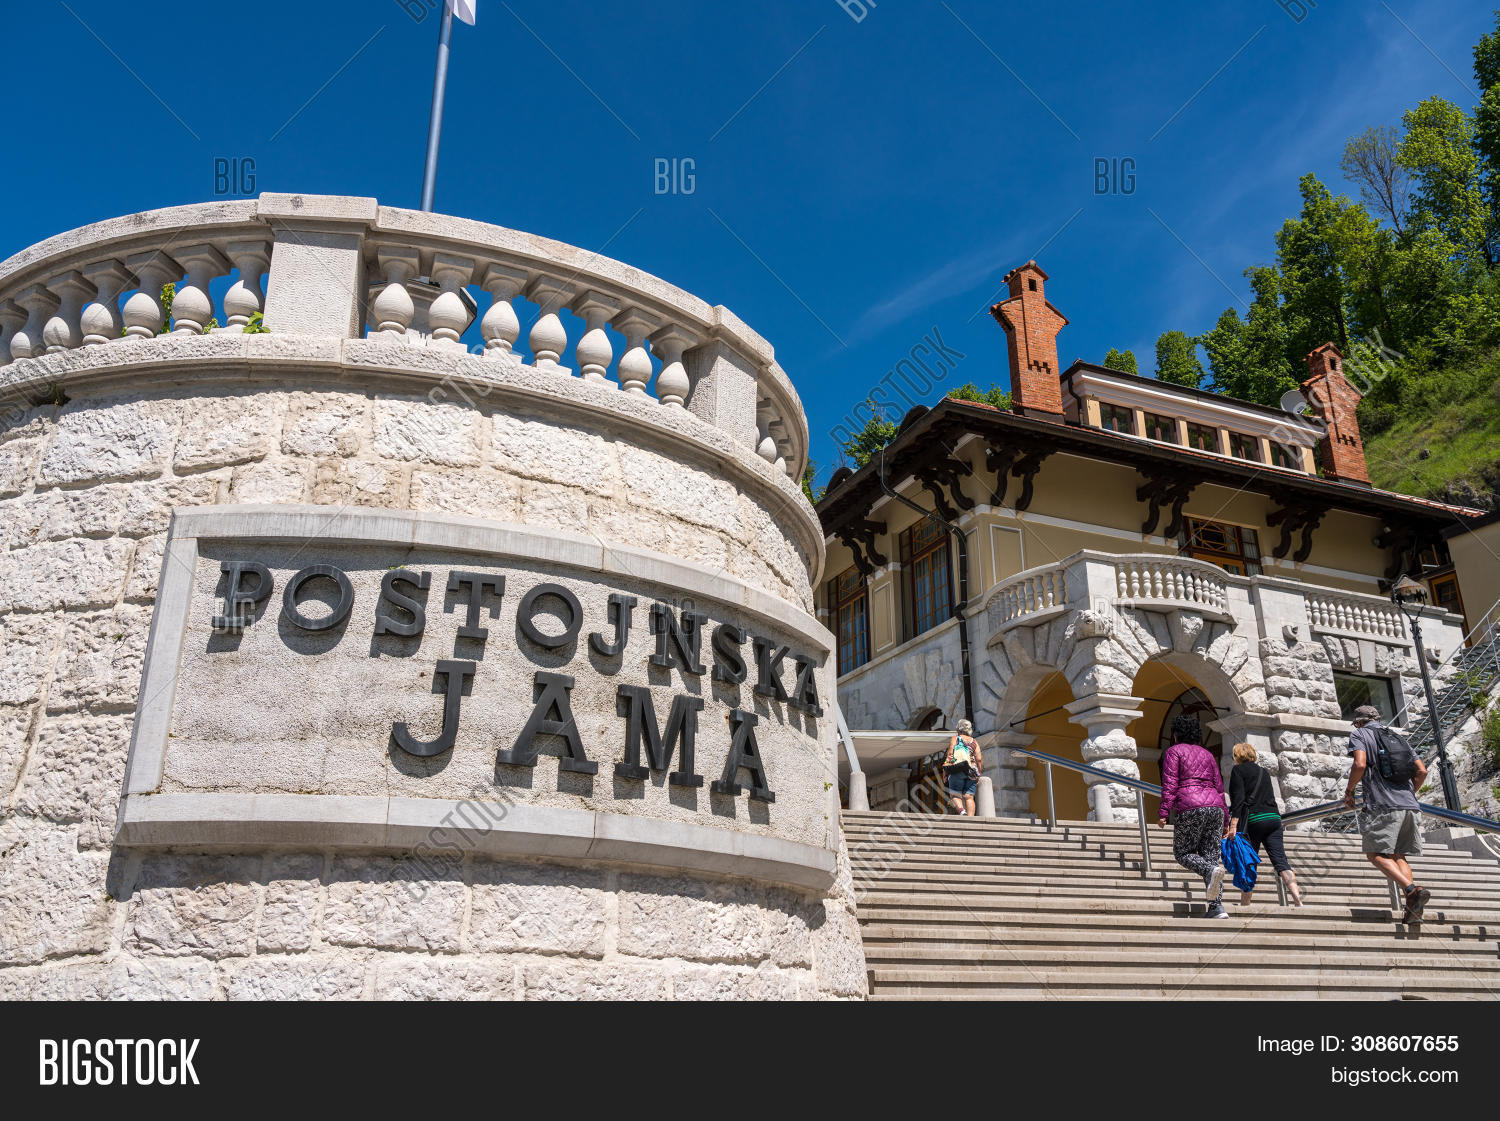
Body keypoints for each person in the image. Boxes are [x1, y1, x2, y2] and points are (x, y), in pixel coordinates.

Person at [1343, 704, 1430, 923]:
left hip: (1382, 805)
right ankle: (1412, 908)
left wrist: (1349, 791)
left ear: (1359, 722)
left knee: (1375, 854)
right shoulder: (1397, 737)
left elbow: (1360, 764)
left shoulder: (1360, 734)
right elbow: (1422, 770)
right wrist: (1409, 794)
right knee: (1399, 855)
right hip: (1409, 805)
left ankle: (1411, 889)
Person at [1157, 714, 1229, 918]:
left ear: (1175, 734)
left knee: (1183, 853)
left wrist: (1164, 812)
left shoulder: (1174, 751)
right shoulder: (1207, 754)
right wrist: (1225, 818)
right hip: (1215, 806)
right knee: (1211, 856)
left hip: (1190, 806)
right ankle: (1216, 907)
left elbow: (1170, 784)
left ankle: (1209, 871)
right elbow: (1220, 788)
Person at [1226, 742, 1302, 907]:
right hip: (1273, 819)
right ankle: (1298, 900)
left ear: (1237, 756)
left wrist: (1233, 826)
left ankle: (1245, 904)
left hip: (1254, 821)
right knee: (1281, 862)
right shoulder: (1264, 772)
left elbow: (1238, 800)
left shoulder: (1238, 771)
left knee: (1248, 863)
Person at [942, 719, 982, 816]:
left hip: (958, 769)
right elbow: (979, 759)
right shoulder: (974, 741)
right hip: (972, 771)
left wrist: (945, 772)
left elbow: (950, 754)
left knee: (955, 795)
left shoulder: (955, 738)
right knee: (969, 797)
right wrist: (979, 774)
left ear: (958, 729)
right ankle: (971, 819)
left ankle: (962, 811)